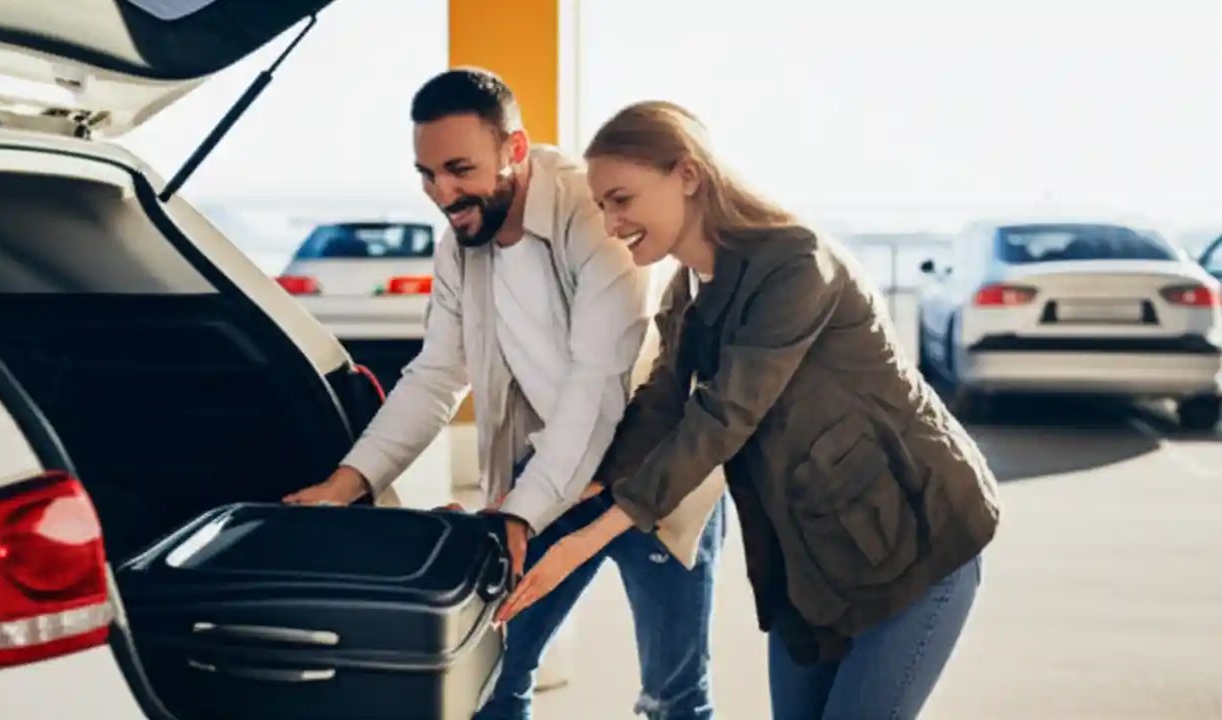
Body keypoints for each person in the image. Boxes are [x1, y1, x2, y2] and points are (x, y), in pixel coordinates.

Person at [496, 101, 1001, 720]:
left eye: (621, 199)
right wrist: (573, 490)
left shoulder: (796, 265)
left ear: (687, 174)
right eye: (601, 205)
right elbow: (659, 404)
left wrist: (594, 538)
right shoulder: (689, 285)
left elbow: (721, 417)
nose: (609, 221)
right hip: (811, 570)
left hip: (919, 544)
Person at [282, 70, 725, 720]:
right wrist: (348, 482)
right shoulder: (461, 245)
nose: (442, 193)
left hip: (654, 477)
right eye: (427, 174)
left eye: (460, 169)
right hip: (550, 473)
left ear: (514, 150)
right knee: (494, 676)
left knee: (673, 694)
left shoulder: (593, 215)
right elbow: (436, 374)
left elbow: (595, 385)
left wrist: (518, 514)